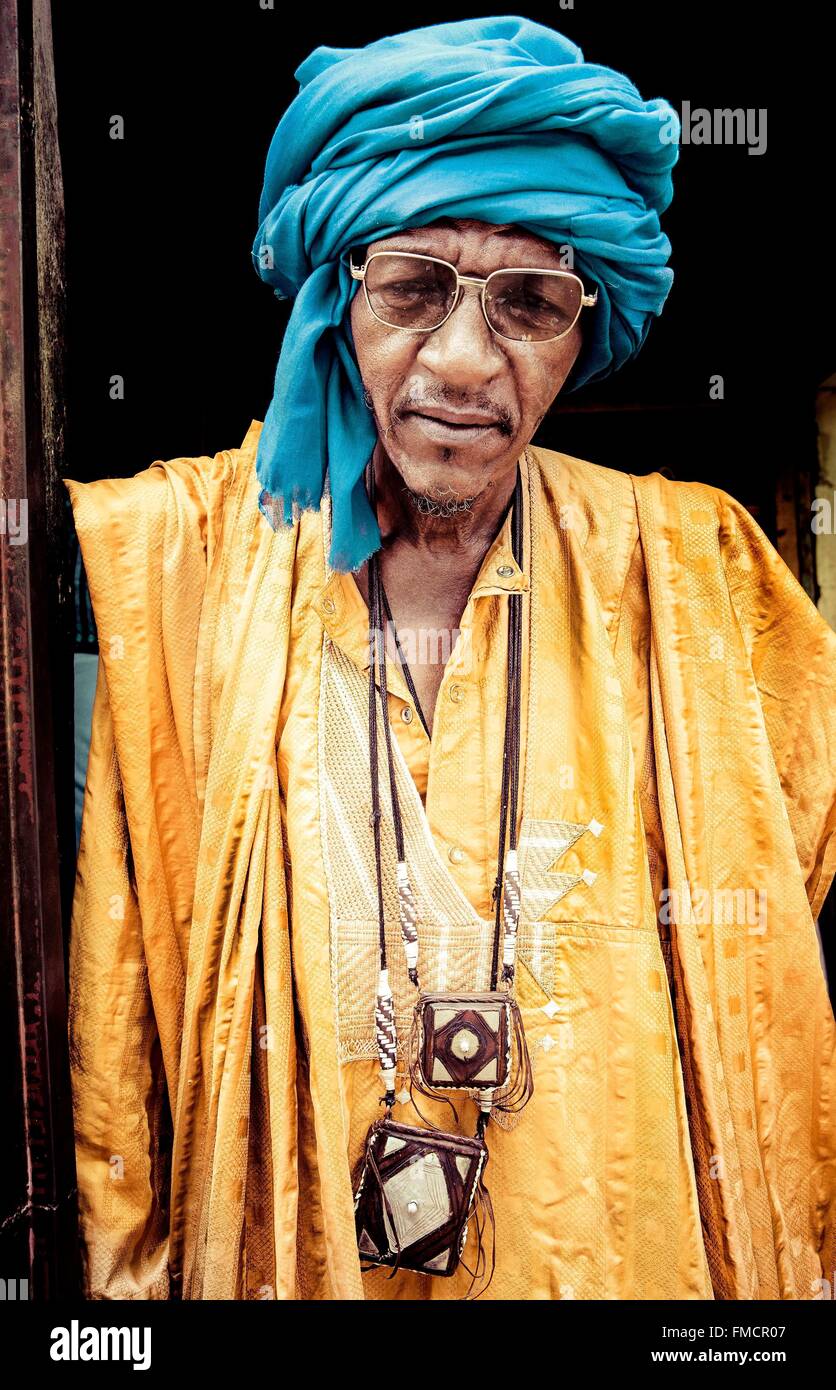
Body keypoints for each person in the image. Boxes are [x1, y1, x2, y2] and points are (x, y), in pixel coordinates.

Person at [64, 17, 836, 1301]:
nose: (465, 363)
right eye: (414, 287)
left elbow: (792, 864)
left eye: (528, 303)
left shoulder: (689, 563)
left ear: (581, 333)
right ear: (334, 300)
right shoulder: (172, 554)